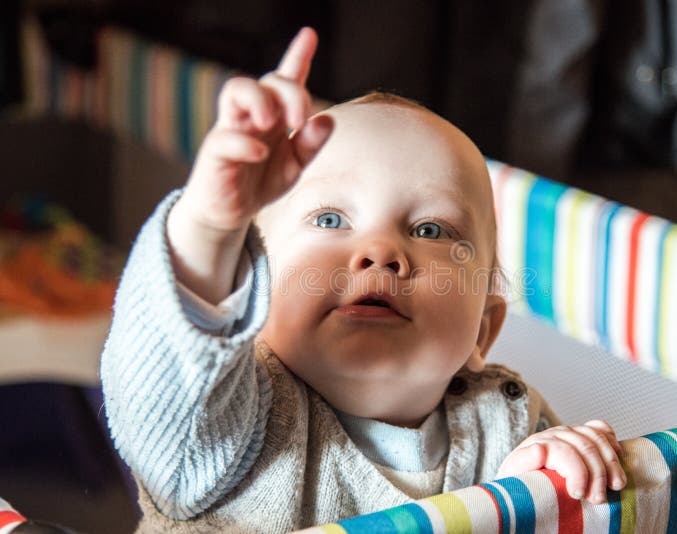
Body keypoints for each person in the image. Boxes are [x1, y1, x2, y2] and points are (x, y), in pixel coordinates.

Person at [101, 27, 626, 532]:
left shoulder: (509, 425)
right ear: (252, 288)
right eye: (330, 220)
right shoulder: (232, 424)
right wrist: (211, 225)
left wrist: (548, 491)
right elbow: (167, 387)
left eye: (429, 228)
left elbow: (575, 504)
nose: (380, 251)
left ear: (483, 332)